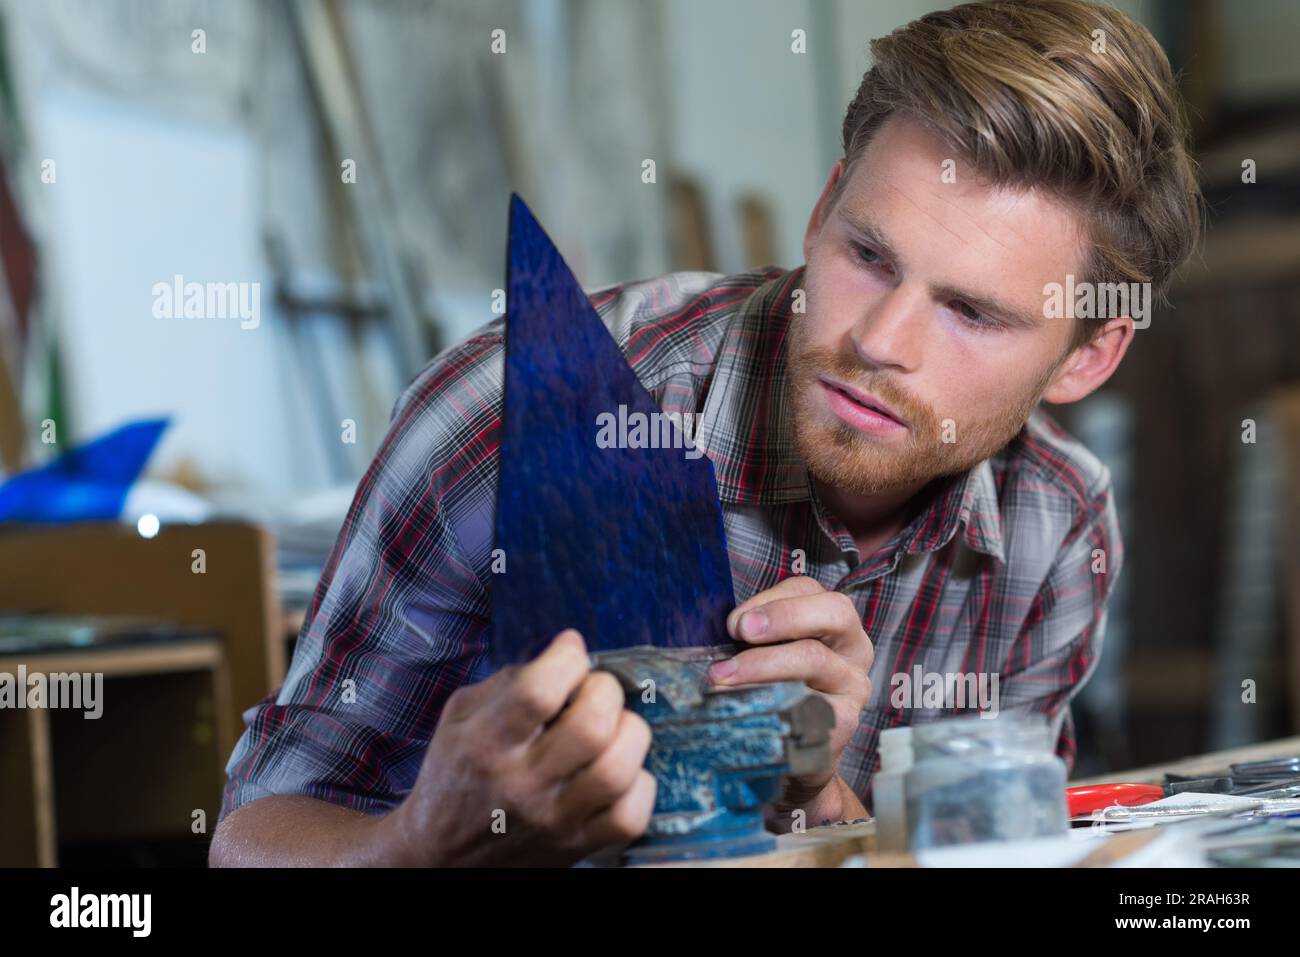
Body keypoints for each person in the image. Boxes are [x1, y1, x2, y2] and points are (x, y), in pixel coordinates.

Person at [210, 0, 1201, 866]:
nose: (878, 341)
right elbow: (247, 838)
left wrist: (814, 794)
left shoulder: (1053, 524)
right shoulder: (513, 410)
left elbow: (959, 861)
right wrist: (420, 840)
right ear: (821, 209)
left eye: (971, 313)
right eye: (865, 254)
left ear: (1087, 355)